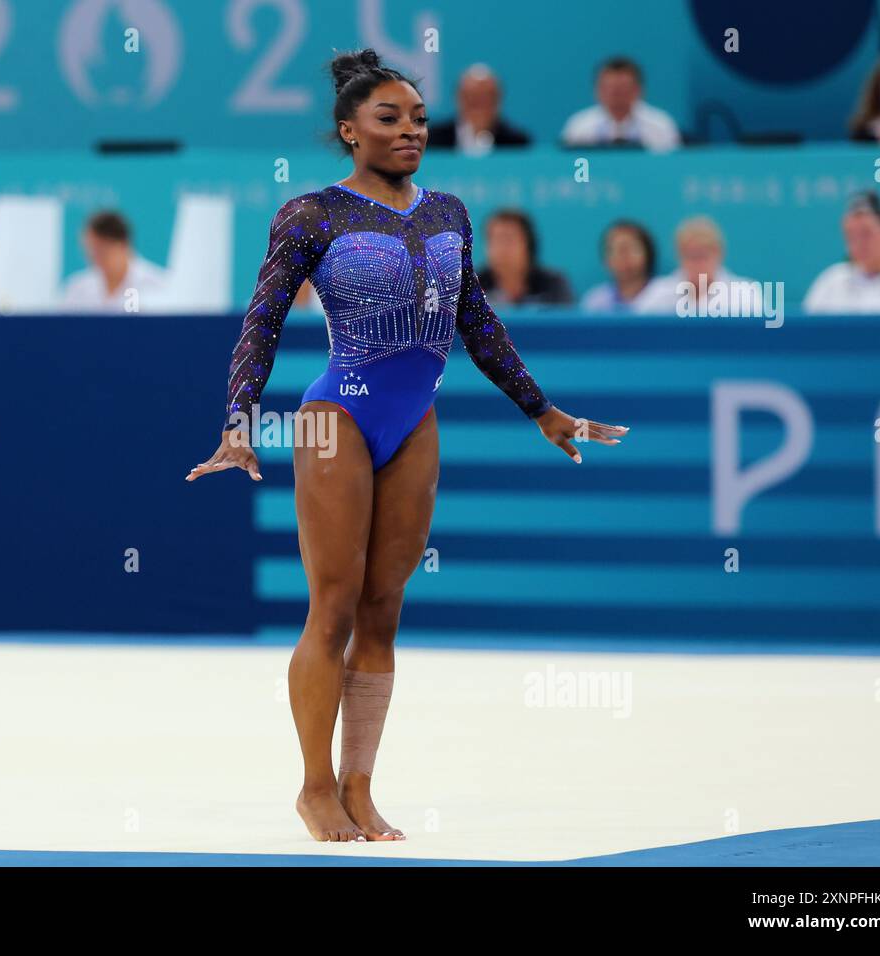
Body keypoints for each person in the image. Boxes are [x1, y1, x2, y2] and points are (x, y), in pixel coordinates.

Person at [187, 49, 629, 844]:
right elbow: (264, 318)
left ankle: (361, 786)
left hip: (414, 418)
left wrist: (541, 409)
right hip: (335, 417)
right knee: (332, 608)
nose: (410, 132)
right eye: (389, 120)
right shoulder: (312, 214)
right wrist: (239, 417)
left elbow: (477, 323)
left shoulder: (449, 212)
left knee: (383, 611)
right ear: (349, 131)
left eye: (419, 119)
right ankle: (315, 786)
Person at [633, 216, 761, 315]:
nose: (698, 263)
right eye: (691, 256)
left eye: (703, 255)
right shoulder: (658, 293)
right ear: (678, 256)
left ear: (719, 254)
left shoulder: (745, 293)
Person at [561, 56, 681, 152]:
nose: (615, 95)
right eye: (609, 88)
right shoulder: (579, 127)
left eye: (622, 88)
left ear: (638, 90)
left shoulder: (660, 125)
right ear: (597, 90)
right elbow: (573, 170)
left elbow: (672, 167)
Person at [59, 211, 167, 312]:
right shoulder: (78, 288)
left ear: (123, 245)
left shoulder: (156, 285)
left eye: (102, 251)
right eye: (91, 251)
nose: (96, 259)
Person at [477, 209, 574, 306]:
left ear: (528, 244)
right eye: (494, 240)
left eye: (508, 239)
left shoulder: (553, 284)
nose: (501, 248)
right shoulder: (471, 285)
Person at [427, 64, 530, 153]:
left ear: (498, 99)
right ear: (458, 98)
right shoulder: (434, 140)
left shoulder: (516, 143)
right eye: (472, 97)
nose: (480, 105)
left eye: (487, 97)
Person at [581, 220, 656, 313]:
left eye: (631, 248)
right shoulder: (595, 302)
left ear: (648, 253)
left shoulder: (665, 295)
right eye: (616, 250)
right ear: (605, 260)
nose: (624, 256)